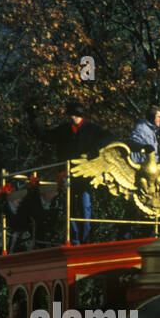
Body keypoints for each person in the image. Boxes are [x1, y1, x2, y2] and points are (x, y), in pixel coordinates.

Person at [43, 101, 115, 243]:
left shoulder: (92, 128)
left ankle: (85, 239)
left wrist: (94, 151)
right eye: (71, 115)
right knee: (69, 207)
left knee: (84, 206)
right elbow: (46, 136)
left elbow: (110, 137)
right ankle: (74, 240)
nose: (73, 118)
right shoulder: (63, 129)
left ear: (81, 116)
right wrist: (33, 118)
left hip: (84, 174)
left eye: (76, 115)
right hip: (67, 173)